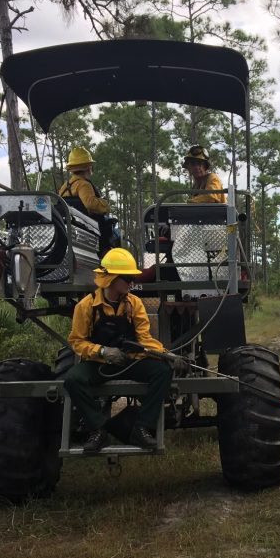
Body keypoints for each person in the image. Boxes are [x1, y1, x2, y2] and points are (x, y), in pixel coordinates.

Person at [64, 248, 184, 452]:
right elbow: (77, 341)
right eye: (127, 278)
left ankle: (142, 428)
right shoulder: (86, 306)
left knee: (162, 372)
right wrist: (102, 352)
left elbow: (144, 338)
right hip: (99, 364)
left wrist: (166, 354)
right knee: (73, 380)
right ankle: (98, 429)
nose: (131, 283)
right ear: (111, 278)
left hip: (128, 361)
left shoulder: (134, 303)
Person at [58, 146, 117, 254]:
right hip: (90, 231)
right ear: (88, 167)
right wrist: (105, 204)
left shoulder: (64, 187)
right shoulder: (84, 185)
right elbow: (90, 204)